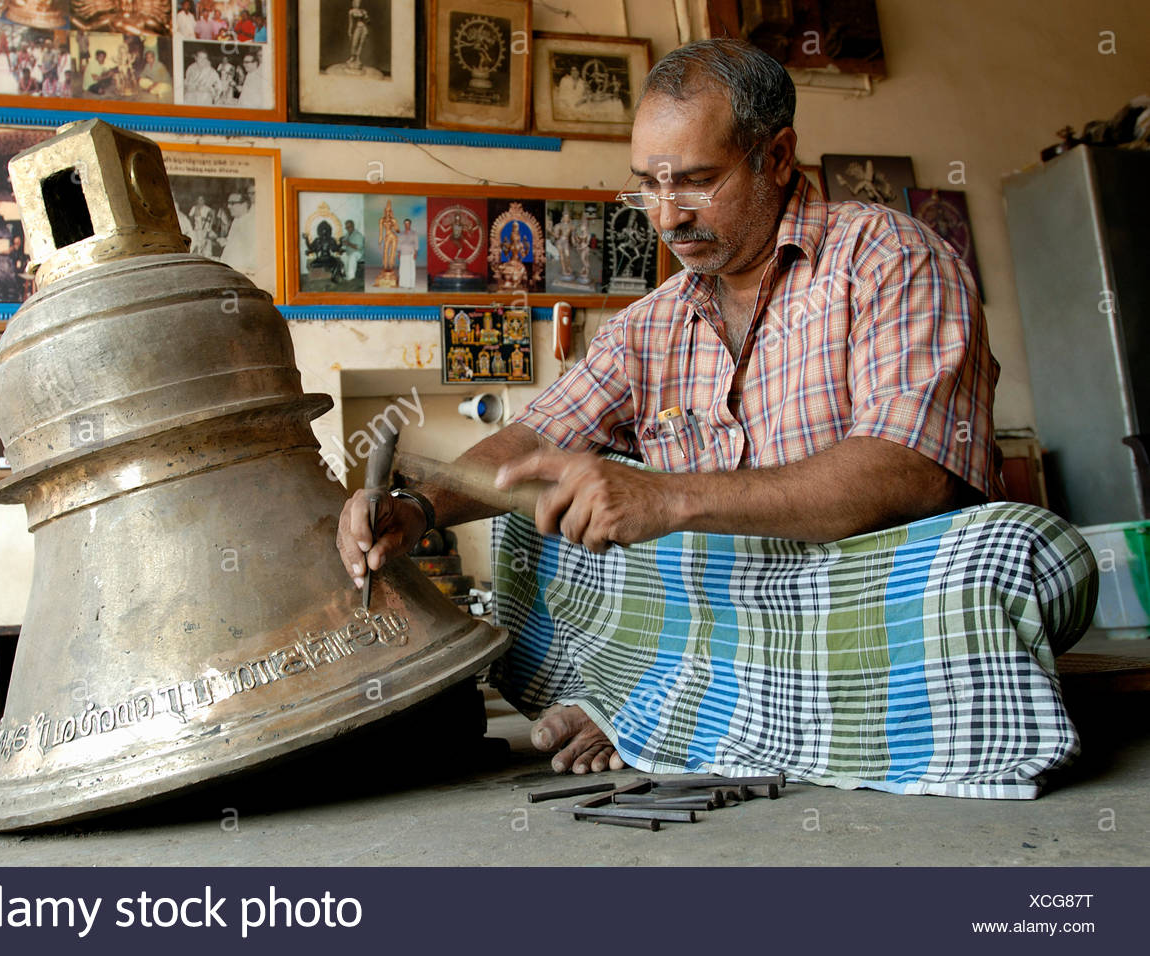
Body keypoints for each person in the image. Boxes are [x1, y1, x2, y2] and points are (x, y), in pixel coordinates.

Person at [336, 38, 1097, 799]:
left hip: (865, 597)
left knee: (1022, 556)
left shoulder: (891, 258)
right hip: (729, 609)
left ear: (778, 155)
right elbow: (536, 441)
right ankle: (710, 711)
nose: (668, 216)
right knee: (530, 520)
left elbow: (915, 472)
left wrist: (669, 498)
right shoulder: (647, 324)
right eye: (648, 188)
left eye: (697, 182)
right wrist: (416, 506)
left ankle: (658, 713)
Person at [218, 192, 255, 276]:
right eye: (228, 203)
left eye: (232, 203)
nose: (228, 206)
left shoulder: (252, 223)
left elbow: (252, 258)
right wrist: (225, 241)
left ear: (244, 204)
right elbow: (233, 243)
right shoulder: (236, 220)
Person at [396, 216, 417, 288]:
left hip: (410, 253)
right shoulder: (401, 233)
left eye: (408, 224)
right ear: (404, 224)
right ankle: (402, 284)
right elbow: (398, 243)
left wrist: (415, 253)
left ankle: (410, 284)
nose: (406, 225)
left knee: (410, 269)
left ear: (410, 224)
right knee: (402, 269)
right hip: (402, 253)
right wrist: (398, 252)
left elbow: (416, 243)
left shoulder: (414, 233)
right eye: (405, 224)